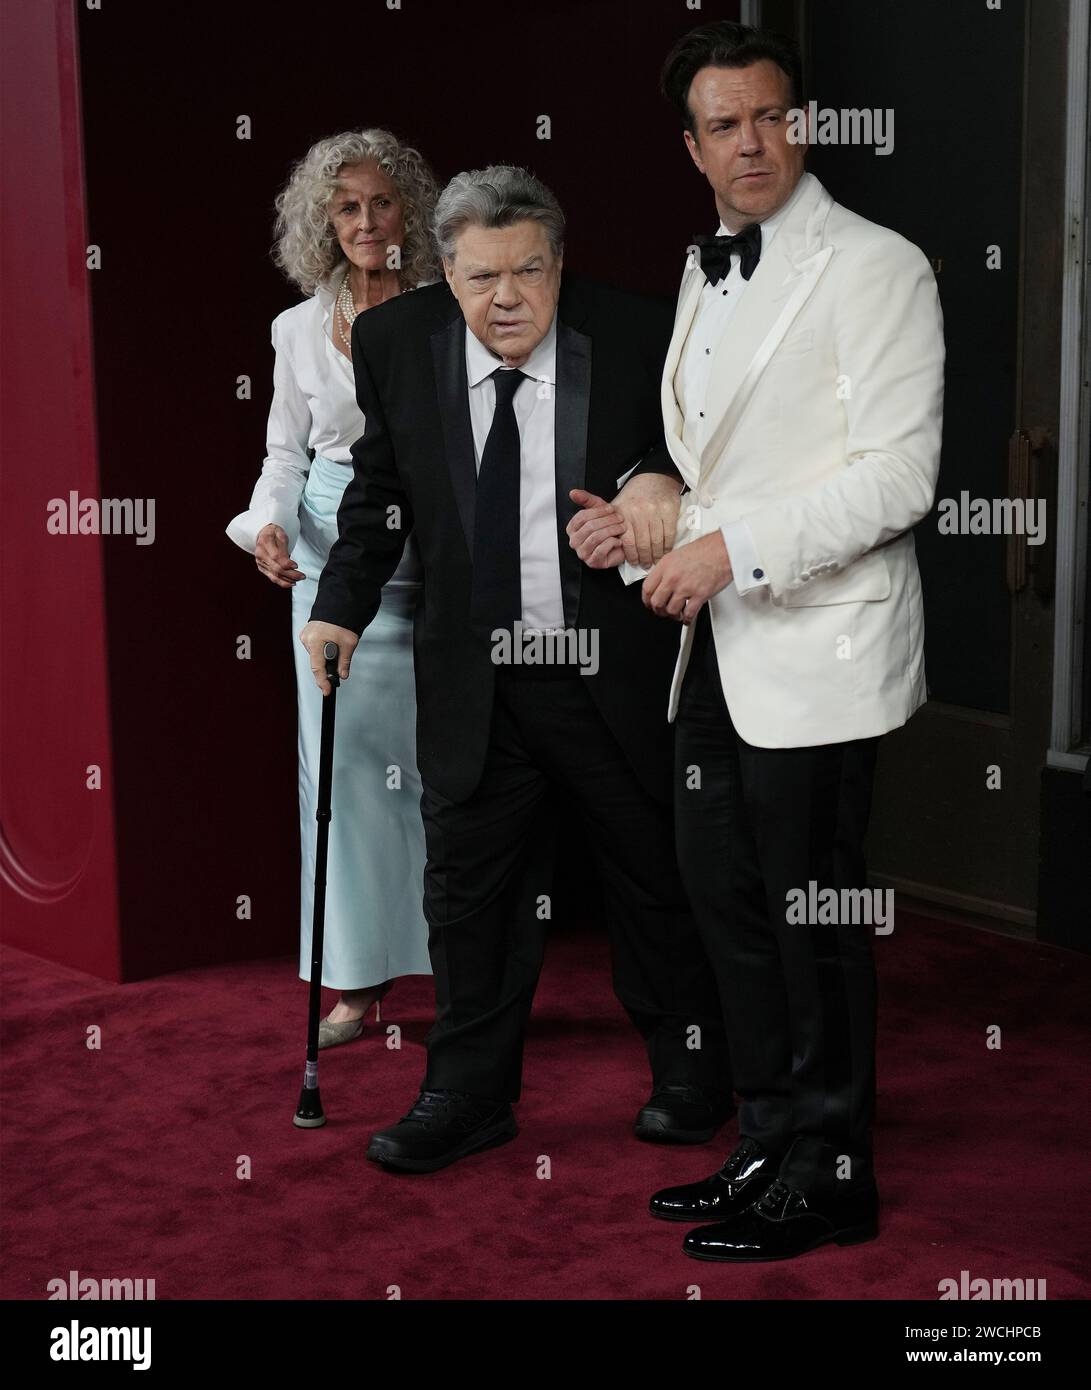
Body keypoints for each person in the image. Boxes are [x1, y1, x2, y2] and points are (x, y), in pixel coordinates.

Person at [570, 20, 944, 1260]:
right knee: (725, 903)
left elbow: (899, 477)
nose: (751, 142)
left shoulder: (877, 265)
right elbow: (713, 460)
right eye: (723, 124)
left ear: (807, 120)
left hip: (820, 650)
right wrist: (648, 514)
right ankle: (772, 1136)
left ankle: (834, 1173)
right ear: (690, 145)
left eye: (770, 116)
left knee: (810, 918)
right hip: (714, 647)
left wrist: (728, 549)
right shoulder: (701, 269)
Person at [300, 164, 731, 1173]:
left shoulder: (631, 331)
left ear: (558, 262)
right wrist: (338, 608)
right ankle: (465, 1094)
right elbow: (380, 492)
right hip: (472, 677)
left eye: (528, 271)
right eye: (482, 274)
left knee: (653, 879)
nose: (506, 297)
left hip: (601, 664)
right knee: (467, 895)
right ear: (443, 270)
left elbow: (699, 454)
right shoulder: (395, 341)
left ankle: (689, 1072)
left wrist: (655, 477)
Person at [225, 129, 437, 1047]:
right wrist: (264, 527)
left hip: (431, 550)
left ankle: (459, 975)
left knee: (444, 771)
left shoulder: (446, 305)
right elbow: (283, 453)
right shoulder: (295, 327)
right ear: (321, 220)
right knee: (341, 775)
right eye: (345, 207)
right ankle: (354, 984)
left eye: (380, 202)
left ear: (408, 211)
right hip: (325, 557)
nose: (364, 221)